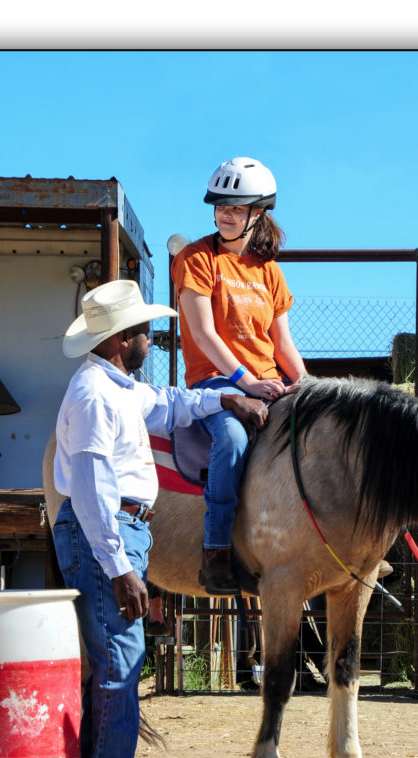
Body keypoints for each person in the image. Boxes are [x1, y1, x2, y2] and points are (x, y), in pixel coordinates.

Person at [52, 279, 268, 758]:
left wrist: (225, 397)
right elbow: (94, 489)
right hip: (110, 531)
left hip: (122, 528)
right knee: (120, 660)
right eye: (145, 330)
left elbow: (170, 404)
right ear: (123, 339)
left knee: (115, 657)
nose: (153, 337)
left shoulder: (117, 386)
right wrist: (120, 566)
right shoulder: (95, 396)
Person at [171, 157, 307, 594]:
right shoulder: (196, 259)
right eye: (220, 206)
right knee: (230, 438)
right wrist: (245, 383)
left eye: (236, 207)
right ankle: (216, 553)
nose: (225, 213)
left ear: (258, 214)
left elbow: (283, 345)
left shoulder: (269, 270)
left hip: (270, 381)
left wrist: (308, 387)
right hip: (217, 382)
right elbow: (202, 333)